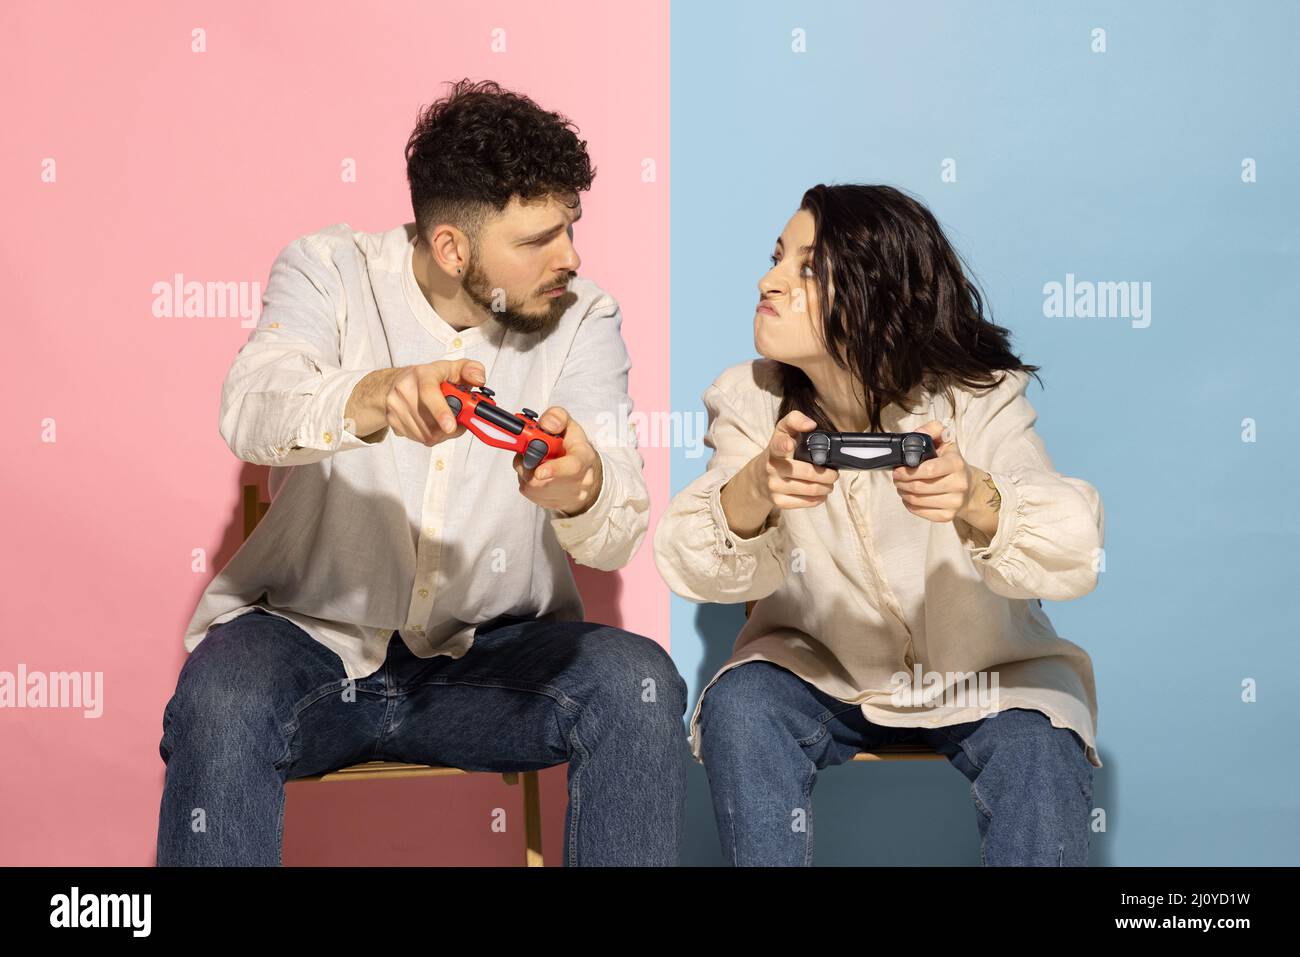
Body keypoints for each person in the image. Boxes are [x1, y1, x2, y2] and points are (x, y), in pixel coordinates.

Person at [157, 79, 687, 866]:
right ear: (451, 247)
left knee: (639, 684)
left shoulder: (584, 318)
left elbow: (615, 534)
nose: (570, 258)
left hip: (489, 665)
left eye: (571, 228)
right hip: (309, 645)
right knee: (221, 696)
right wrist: (372, 394)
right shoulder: (330, 270)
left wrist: (585, 490)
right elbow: (251, 407)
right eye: (540, 239)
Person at [653, 184, 1104, 866]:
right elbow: (687, 561)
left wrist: (974, 494)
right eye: (777, 258)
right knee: (739, 704)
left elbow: (1078, 546)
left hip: (986, 674)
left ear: (876, 290)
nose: (768, 281)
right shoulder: (751, 398)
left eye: (806, 267)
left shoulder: (979, 396)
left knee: (1040, 743)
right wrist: (756, 487)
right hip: (818, 673)